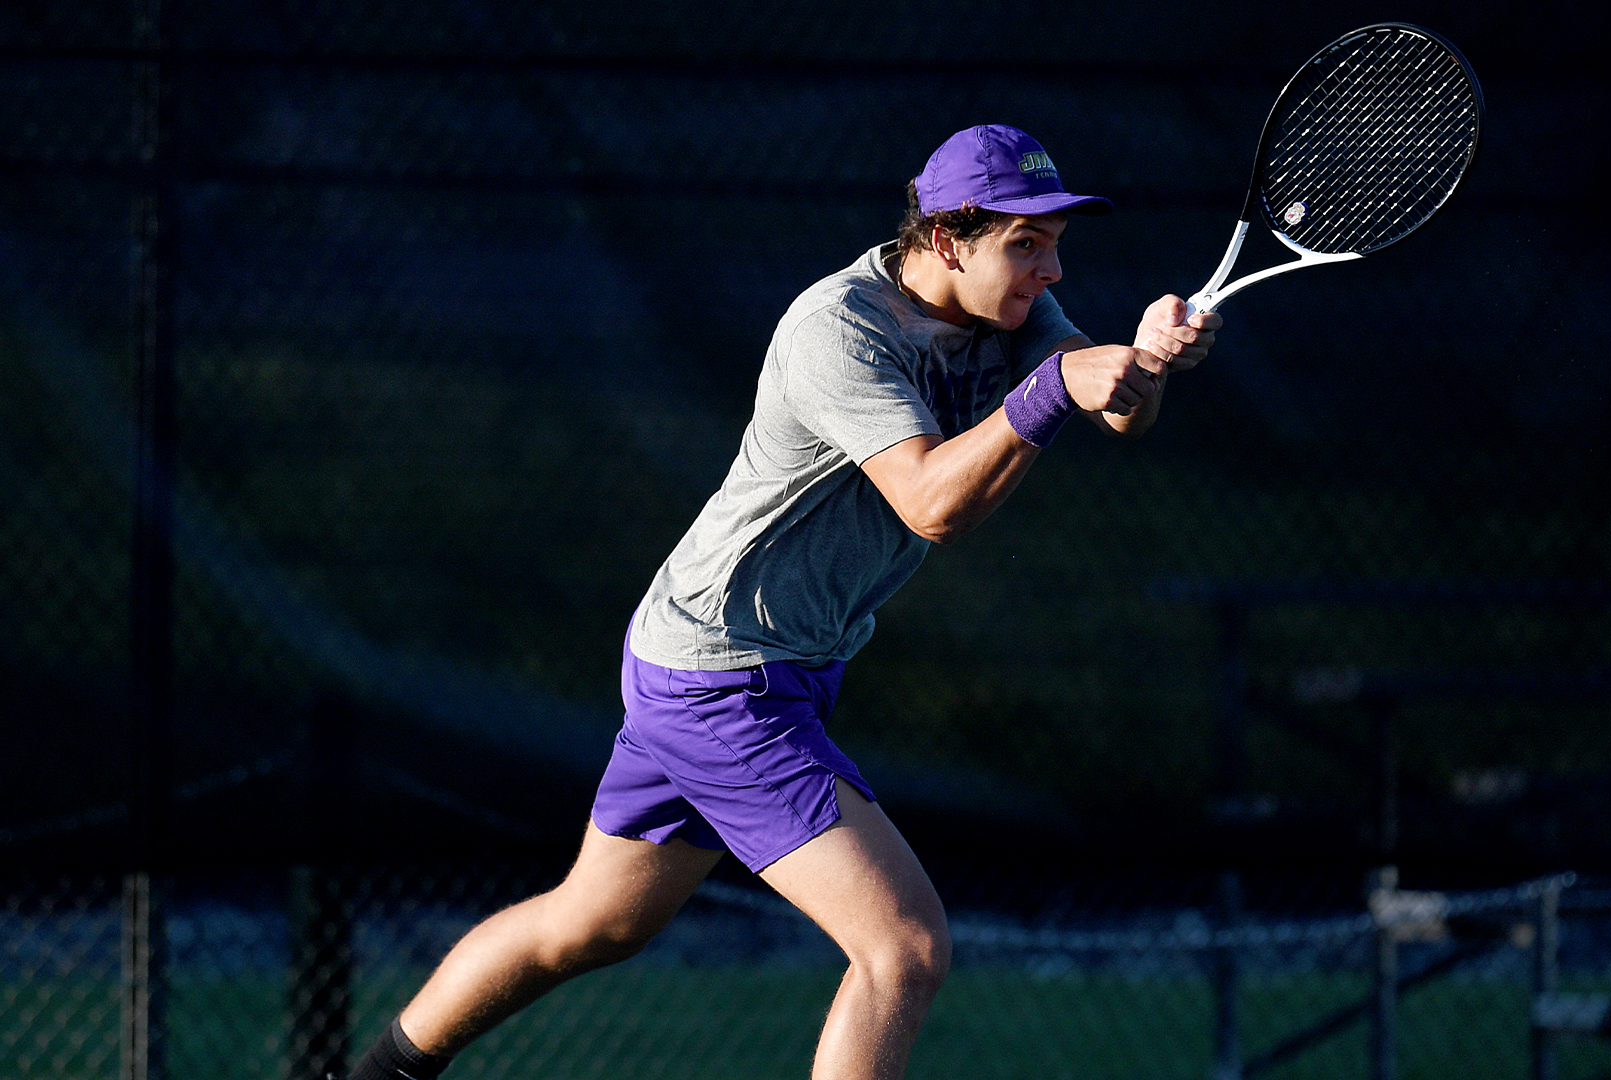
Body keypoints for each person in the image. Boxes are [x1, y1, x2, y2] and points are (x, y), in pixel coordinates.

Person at [342, 123, 1222, 1080]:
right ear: (942, 238)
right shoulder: (837, 329)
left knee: (591, 924)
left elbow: (1113, 407)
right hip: (722, 676)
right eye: (1024, 244)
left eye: (1056, 244)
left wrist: (1142, 365)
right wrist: (1057, 389)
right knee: (904, 950)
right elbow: (933, 503)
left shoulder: (1007, 320)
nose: (1049, 271)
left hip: (758, 661)